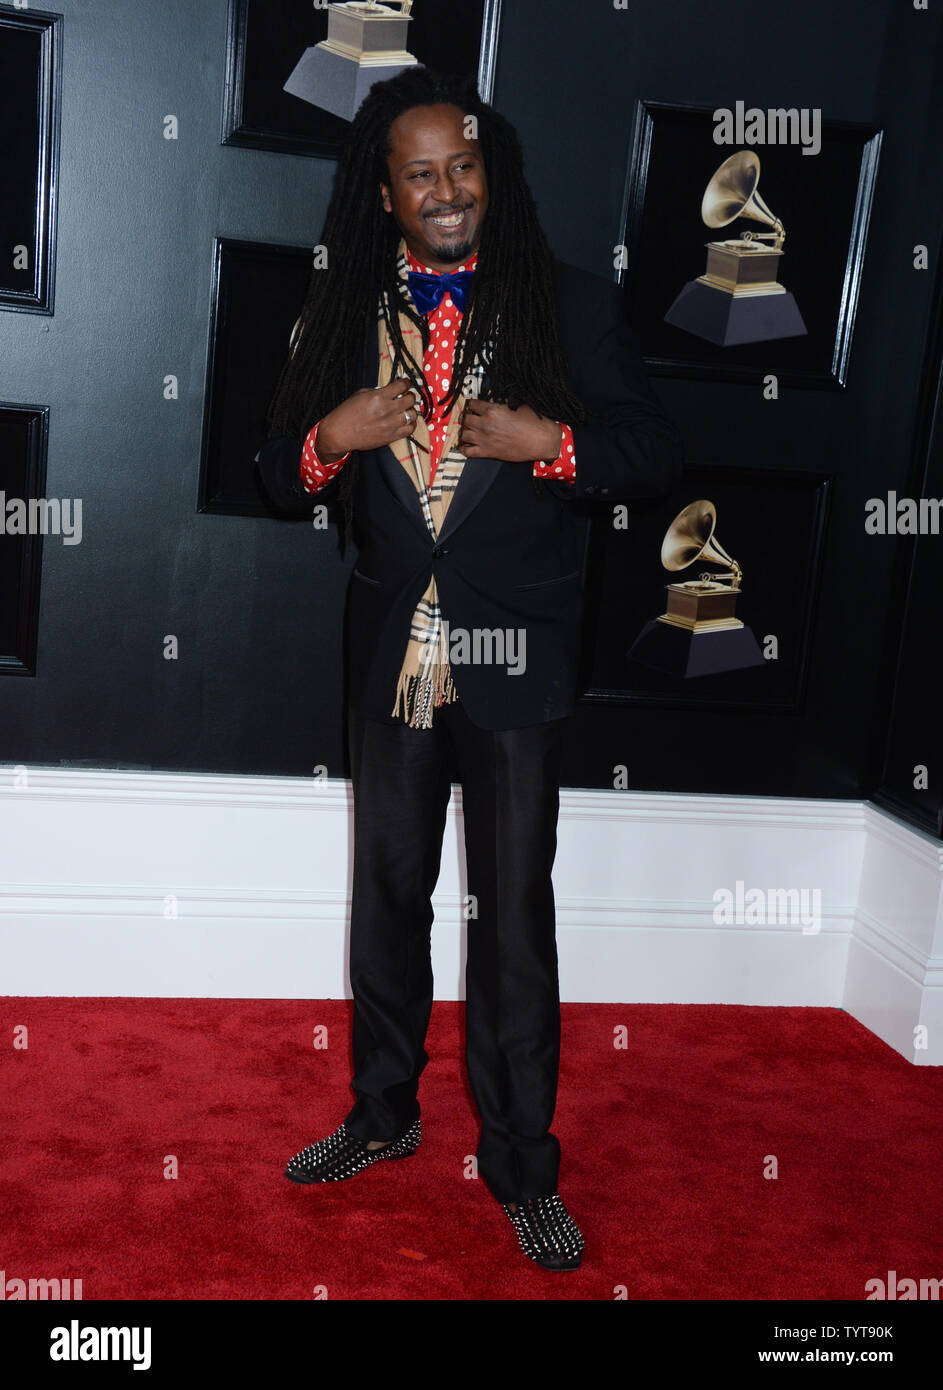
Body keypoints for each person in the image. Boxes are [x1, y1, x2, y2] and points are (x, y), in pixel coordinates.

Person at [255, 66, 683, 1271]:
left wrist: (556, 447)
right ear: (383, 193)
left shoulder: (571, 307)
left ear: (490, 175)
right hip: (392, 658)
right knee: (385, 902)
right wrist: (326, 437)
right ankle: (383, 1115)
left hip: (517, 660)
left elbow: (652, 452)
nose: (445, 189)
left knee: (511, 924)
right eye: (419, 172)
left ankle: (519, 1164)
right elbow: (277, 475)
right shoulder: (340, 311)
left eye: (463, 165)